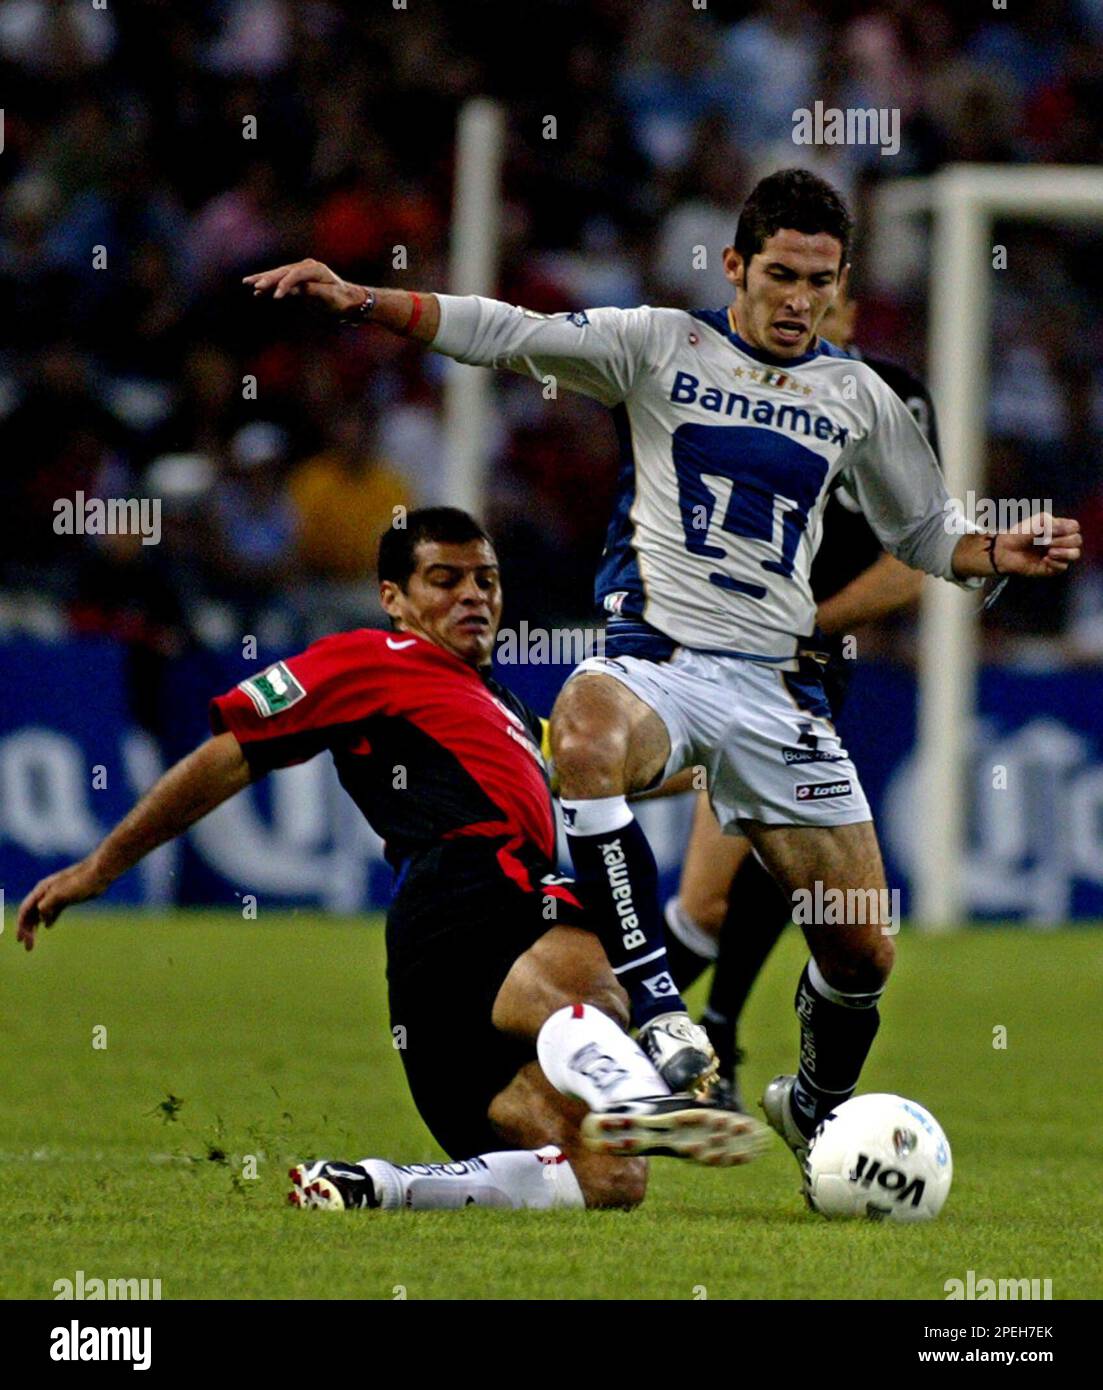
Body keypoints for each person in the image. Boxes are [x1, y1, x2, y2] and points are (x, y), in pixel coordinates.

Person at [242, 169, 1081, 1188]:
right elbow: (509, 332)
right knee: (584, 736)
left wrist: (996, 549)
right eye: (779, 273)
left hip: (778, 692)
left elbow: (919, 529)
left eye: (819, 280)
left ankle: (810, 1100)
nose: (797, 299)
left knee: (861, 953)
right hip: (659, 665)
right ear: (734, 265)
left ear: (839, 282)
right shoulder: (658, 347)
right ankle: (660, 1007)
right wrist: (362, 299)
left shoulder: (857, 396)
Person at [17, 508, 767, 1215]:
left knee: (607, 1176)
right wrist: (103, 867)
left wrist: (733, 770)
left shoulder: (501, 707)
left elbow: (598, 773)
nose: (473, 596)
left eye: (486, 580)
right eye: (445, 580)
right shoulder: (370, 657)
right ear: (393, 598)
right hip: (475, 882)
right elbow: (231, 754)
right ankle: (633, 1092)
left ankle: (381, 1184)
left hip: (426, 965)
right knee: (594, 987)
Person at [660, 283, 937, 1111]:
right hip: (712, 650)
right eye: (788, 287)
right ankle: (618, 1028)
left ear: (852, 310)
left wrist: (810, 622)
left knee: (763, 889)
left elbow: (914, 552)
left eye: (831, 291)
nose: (811, 306)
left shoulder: (889, 398)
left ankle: (674, 1039)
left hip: (805, 667)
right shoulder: (717, 383)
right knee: (712, 898)